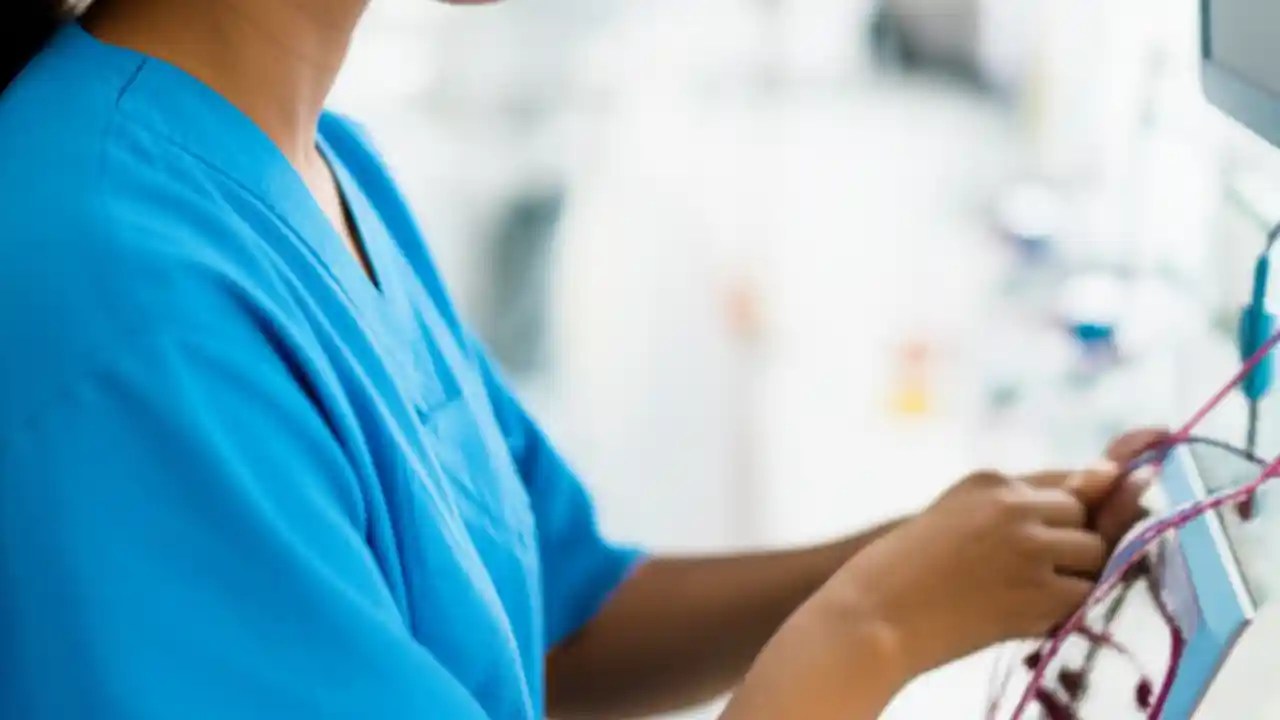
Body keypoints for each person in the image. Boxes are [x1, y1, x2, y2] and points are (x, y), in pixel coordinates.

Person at [0, 2, 1159, 719]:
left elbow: (566, 633)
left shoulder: (321, 168)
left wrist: (940, 556)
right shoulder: (124, 281)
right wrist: (870, 632)